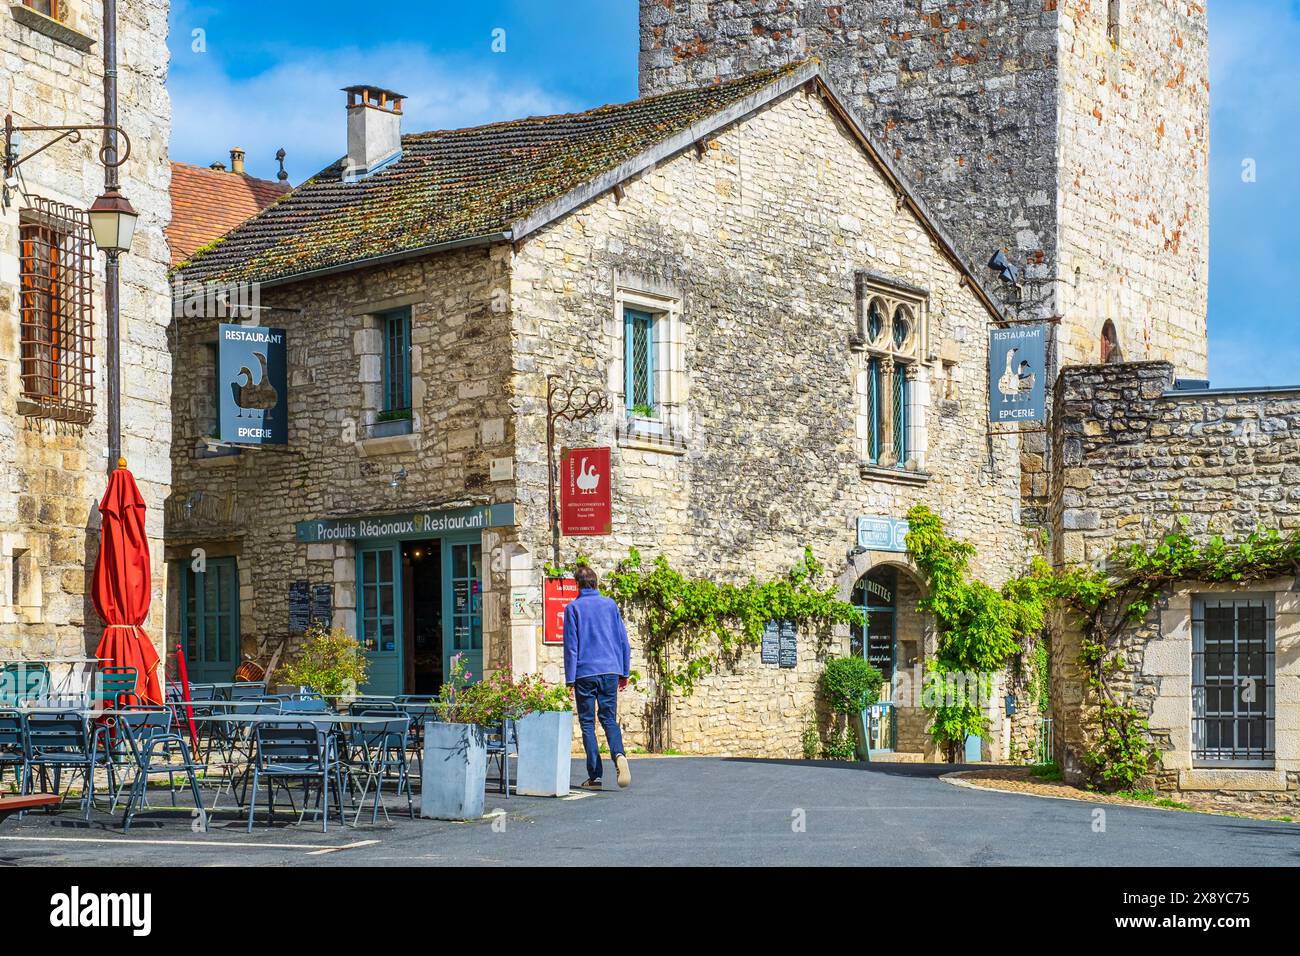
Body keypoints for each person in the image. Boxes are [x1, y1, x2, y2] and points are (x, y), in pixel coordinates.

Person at [563, 564, 632, 789]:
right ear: (596, 583)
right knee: (608, 718)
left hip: (585, 672)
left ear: (577, 584)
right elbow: (623, 641)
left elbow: (571, 647)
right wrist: (624, 671)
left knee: (587, 723)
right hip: (611, 669)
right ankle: (619, 755)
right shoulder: (610, 605)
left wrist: (570, 680)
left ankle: (595, 777)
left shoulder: (573, 608)